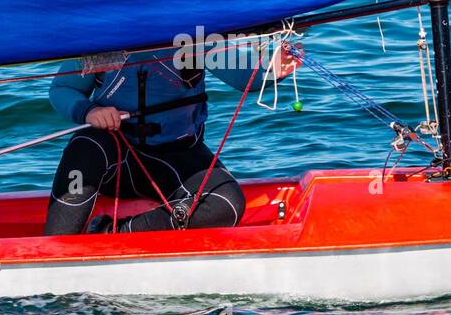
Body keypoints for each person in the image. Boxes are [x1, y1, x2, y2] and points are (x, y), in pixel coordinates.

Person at [43, 41, 299, 235]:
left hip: (178, 158)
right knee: (85, 145)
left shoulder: (196, 39)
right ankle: (53, 249)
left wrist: (272, 67)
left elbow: (245, 77)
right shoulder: (107, 41)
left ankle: (114, 233)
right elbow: (63, 89)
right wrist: (90, 111)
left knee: (226, 205)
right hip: (115, 156)